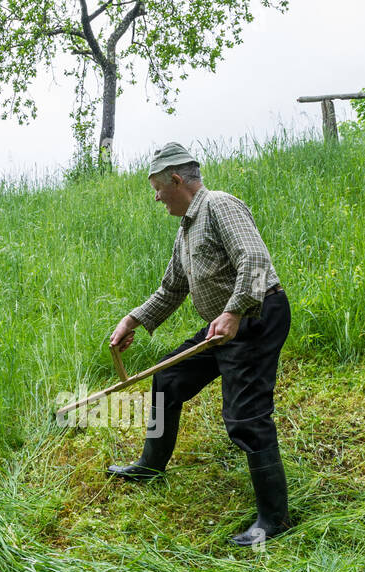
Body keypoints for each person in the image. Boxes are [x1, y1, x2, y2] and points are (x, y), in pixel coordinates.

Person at [107, 142, 293, 547]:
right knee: (166, 381)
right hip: (223, 324)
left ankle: (273, 519)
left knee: (245, 416)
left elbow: (256, 263)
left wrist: (235, 311)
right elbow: (172, 287)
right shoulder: (187, 228)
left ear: (176, 180)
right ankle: (150, 465)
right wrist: (134, 318)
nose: (156, 198)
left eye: (158, 188)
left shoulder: (220, 206)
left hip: (256, 318)